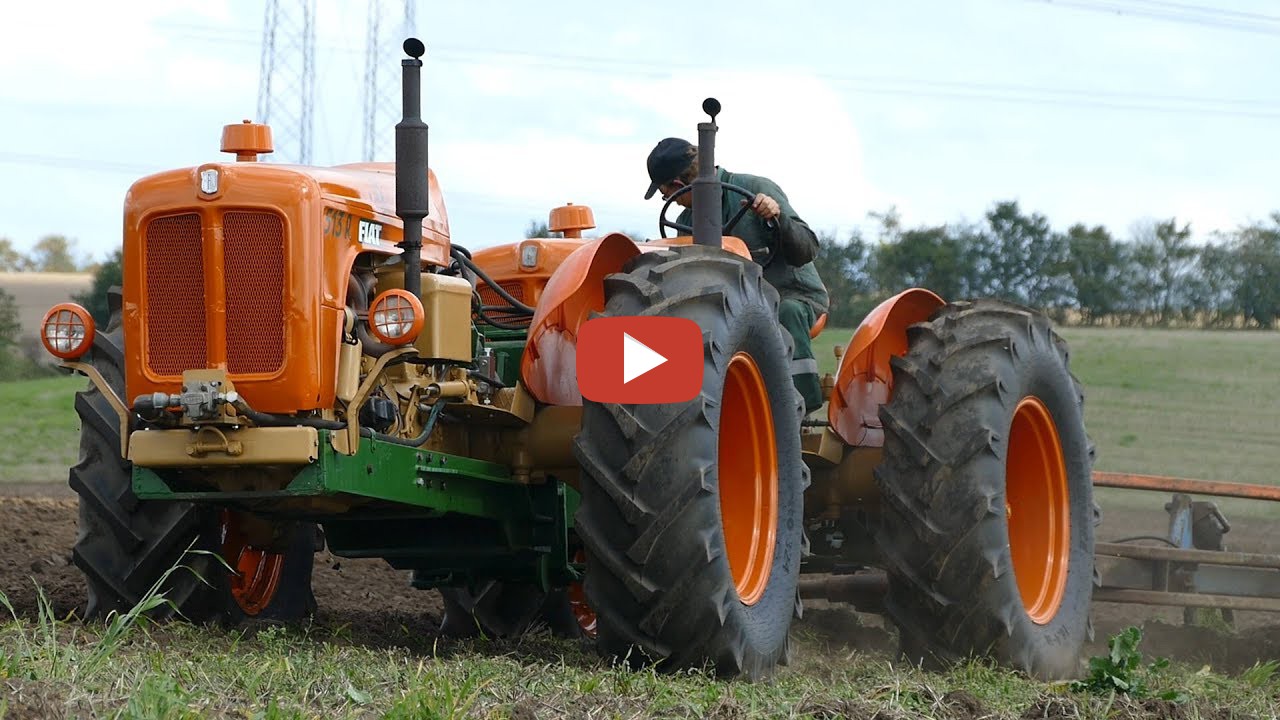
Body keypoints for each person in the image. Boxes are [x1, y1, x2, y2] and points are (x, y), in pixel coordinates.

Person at [644, 137, 829, 415]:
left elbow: (807, 249)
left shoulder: (756, 189)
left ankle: (796, 410)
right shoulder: (684, 223)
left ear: (677, 187)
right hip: (731, 305)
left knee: (786, 312)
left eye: (664, 193)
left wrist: (777, 218)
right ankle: (691, 408)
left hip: (789, 295)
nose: (667, 200)